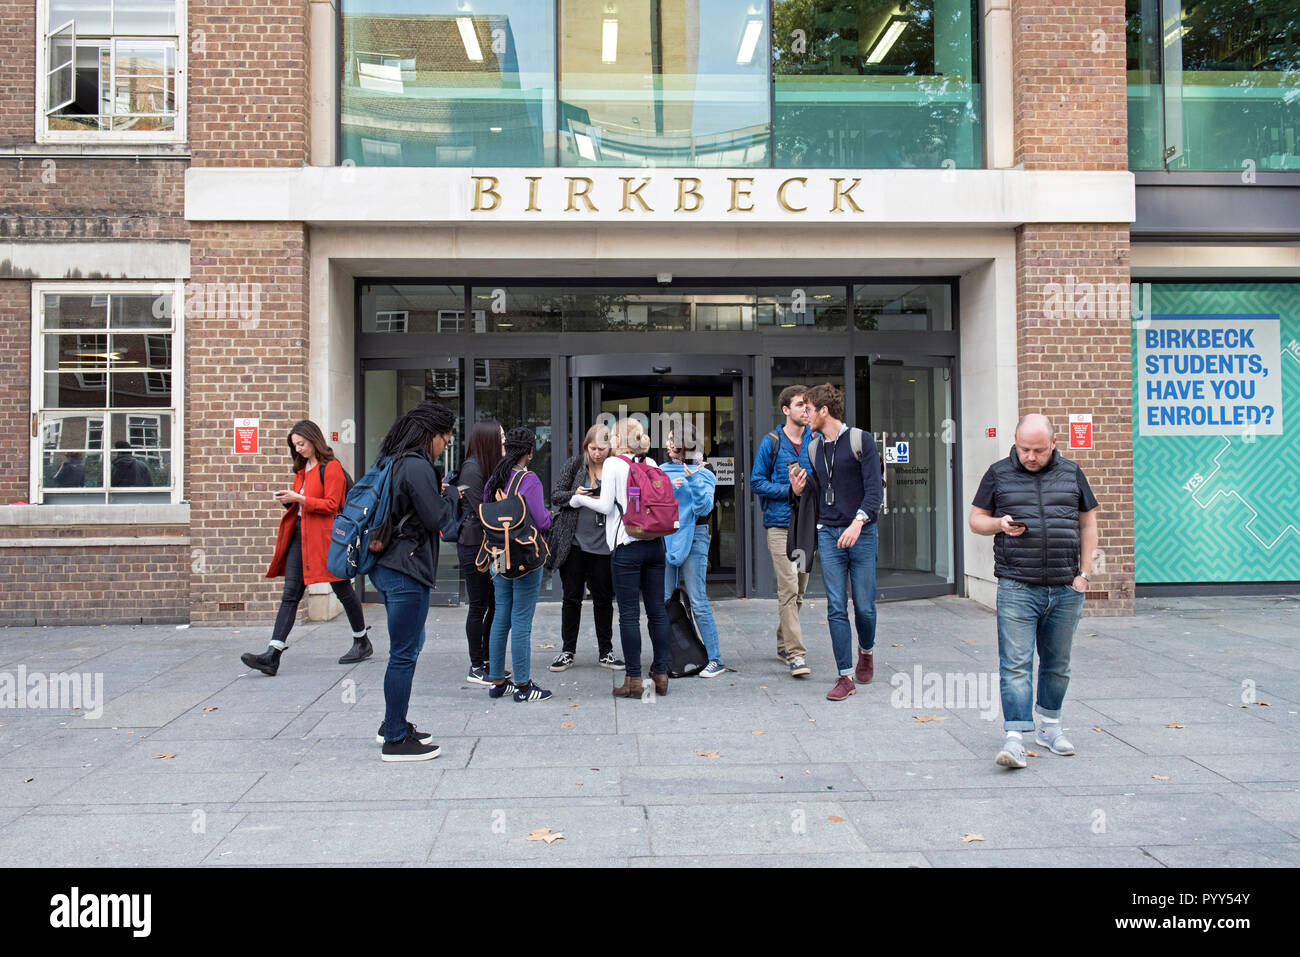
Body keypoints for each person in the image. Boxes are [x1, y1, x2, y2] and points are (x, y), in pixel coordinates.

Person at [968, 413, 1099, 769]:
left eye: (1039, 450)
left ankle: (1050, 727)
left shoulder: (1072, 473)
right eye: (1024, 449)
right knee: (1015, 664)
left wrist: (1084, 574)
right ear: (1015, 441)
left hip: (1065, 586)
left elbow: (1088, 524)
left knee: (1058, 663)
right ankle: (1014, 738)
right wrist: (999, 524)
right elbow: (976, 520)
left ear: (1053, 444)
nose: (1030, 456)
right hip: (1017, 585)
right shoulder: (998, 473)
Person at [242, 420, 372, 677]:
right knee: (291, 594)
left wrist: (299, 498)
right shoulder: (301, 470)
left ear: (314, 440)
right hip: (300, 537)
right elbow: (304, 504)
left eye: (301, 444)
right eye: (295, 446)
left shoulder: (331, 468)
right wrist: (290, 500)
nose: (298, 449)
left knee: (342, 589)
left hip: (325, 539)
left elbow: (331, 505)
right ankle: (272, 654)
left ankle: (361, 641)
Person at [371, 401, 460, 761]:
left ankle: (393, 723)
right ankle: (395, 739)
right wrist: (450, 494)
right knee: (404, 654)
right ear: (432, 435)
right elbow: (440, 520)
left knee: (409, 645)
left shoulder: (391, 460)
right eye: (445, 439)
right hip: (406, 569)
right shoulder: (417, 465)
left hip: (387, 565)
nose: (444, 446)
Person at [790, 383, 882, 702]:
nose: (806, 416)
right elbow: (818, 489)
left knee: (865, 607)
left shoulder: (860, 440)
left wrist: (858, 522)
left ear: (824, 411)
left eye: (809, 410)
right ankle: (845, 675)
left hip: (862, 533)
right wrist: (799, 489)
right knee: (835, 606)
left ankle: (866, 651)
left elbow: (875, 491)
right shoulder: (814, 448)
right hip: (828, 533)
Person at [569, 417, 672, 698]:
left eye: (612, 436)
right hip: (655, 544)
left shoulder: (614, 464)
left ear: (619, 440)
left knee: (629, 614)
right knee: (657, 611)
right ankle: (661, 675)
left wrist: (578, 500)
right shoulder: (650, 463)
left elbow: (605, 506)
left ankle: (633, 679)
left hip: (627, 546)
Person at [483, 427, 554, 702]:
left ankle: (498, 682)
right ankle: (524, 687)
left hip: (499, 555)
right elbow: (542, 520)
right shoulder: (530, 480)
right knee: (521, 618)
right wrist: (550, 515)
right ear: (529, 452)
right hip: (524, 556)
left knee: (501, 614)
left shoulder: (494, 479)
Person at [546, 423, 623, 672]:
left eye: (602, 448)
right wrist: (575, 495)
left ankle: (606, 652)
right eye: (593, 448)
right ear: (586, 447)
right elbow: (555, 496)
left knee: (603, 600)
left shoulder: (615, 467)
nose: (597, 453)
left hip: (604, 544)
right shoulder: (575, 465)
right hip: (575, 544)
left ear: (610, 448)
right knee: (571, 598)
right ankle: (567, 651)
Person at [749, 384, 814, 678]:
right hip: (779, 527)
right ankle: (796, 654)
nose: (806, 410)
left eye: (808, 405)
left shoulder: (816, 440)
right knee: (788, 589)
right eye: (800, 404)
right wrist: (789, 490)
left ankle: (782, 643)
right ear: (786, 409)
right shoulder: (772, 442)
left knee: (799, 591)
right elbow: (757, 482)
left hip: (806, 529)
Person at [661, 421, 724, 678]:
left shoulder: (704, 471)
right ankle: (669, 656)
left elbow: (704, 508)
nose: (667, 444)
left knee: (698, 601)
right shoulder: (662, 470)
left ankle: (715, 659)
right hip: (668, 536)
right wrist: (669, 489)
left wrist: (692, 479)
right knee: (665, 599)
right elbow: (655, 503)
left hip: (695, 536)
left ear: (684, 445)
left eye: (671, 440)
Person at [457, 420, 505, 686]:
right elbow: (485, 511)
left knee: (496, 603)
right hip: (476, 546)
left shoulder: (490, 466)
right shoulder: (472, 469)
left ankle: (488, 661)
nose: (504, 442)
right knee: (479, 605)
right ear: (488, 440)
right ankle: (476, 666)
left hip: (493, 545)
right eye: (500, 437)